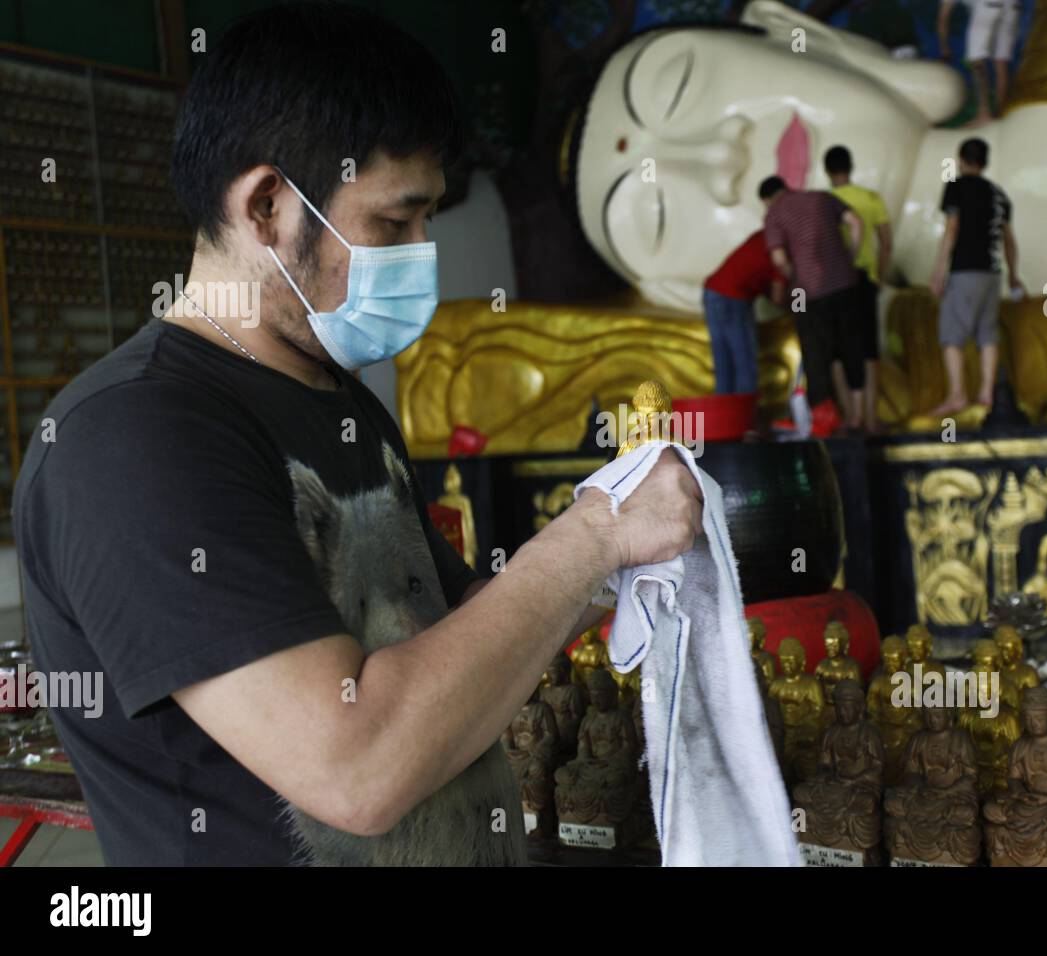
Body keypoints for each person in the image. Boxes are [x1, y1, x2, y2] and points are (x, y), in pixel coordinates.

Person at [12, 3, 701, 866]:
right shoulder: (133, 437)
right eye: (393, 222)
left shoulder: (337, 396)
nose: (422, 252)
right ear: (267, 205)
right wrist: (590, 537)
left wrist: (622, 552)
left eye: (427, 221)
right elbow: (358, 770)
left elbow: (448, 633)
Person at [927, 137, 1024, 417]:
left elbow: (952, 228)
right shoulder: (1000, 194)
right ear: (986, 162)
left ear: (960, 158)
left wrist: (938, 272)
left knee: (951, 334)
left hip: (965, 270)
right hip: (993, 274)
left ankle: (957, 395)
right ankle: (985, 395)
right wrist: (1014, 276)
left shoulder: (956, 188)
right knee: (987, 334)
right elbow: (1009, 241)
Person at [760, 176, 865, 431]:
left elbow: (779, 258)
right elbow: (855, 223)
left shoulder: (774, 213)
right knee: (852, 346)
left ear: (767, 199)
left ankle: (824, 417)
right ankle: (858, 416)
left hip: (808, 292)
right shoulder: (821, 197)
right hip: (846, 284)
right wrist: (848, 256)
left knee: (815, 351)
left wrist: (793, 275)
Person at [824, 145, 892, 434]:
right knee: (869, 351)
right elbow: (886, 242)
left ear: (827, 171)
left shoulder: (825, 201)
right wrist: (880, 276)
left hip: (834, 283)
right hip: (864, 280)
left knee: (838, 352)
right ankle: (871, 417)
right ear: (851, 167)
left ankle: (850, 416)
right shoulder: (870, 198)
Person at [701, 230, 785, 394]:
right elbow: (778, 297)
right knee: (745, 363)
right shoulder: (783, 250)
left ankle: (725, 415)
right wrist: (799, 306)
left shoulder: (764, 235)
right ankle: (744, 416)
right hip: (733, 298)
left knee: (724, 364)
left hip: (712, 291)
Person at [937, 0, 1023, 126]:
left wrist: (944, 47)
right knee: (1001, 62)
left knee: (976, 61)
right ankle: (1001, 113)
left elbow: (942, 19)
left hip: (988, 5)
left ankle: (984, 115)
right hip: (1013, 6)